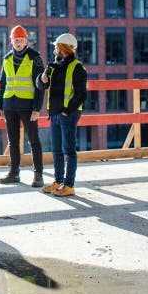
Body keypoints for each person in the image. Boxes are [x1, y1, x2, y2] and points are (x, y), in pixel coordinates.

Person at [38, 33, 87, 197]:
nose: (54, 50)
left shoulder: (77, 67)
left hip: (68, 115)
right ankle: (58, 181)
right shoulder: (54, 66)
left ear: (63, 48)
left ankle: (69, 185)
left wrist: (67, 111)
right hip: (55, 114)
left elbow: (81, 94)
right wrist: (42, 79)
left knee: (69, 150)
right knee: (57, 150)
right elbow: (41, 86)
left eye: (56, 47)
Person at [0, 25, 45, 186]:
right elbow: (3, 83)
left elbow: (41, 85)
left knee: (34, 140)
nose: (18, 43)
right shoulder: (7, 58)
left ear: (26, 41)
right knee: (13, 141)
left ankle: (38, 175)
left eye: (21, 40)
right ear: (11, 41)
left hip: (28, 106)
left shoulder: (35, 57)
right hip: (10, 105)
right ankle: (14, 173)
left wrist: (37, 108)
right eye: (15, 40)